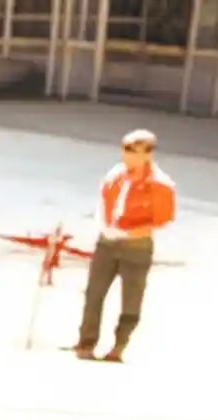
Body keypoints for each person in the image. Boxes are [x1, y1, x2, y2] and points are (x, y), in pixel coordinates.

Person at [72, 128, 176, 363]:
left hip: (135, 246)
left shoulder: (161, 184)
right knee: (94, 293)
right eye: (126, 149)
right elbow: (104, 202)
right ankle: (86, 342)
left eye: (134, 150)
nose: (127, 155)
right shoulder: (115, 175)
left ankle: (119, 345)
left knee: (131, 298)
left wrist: (131, 231)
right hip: (107, 242)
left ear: (148, 154)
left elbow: (163, 220)